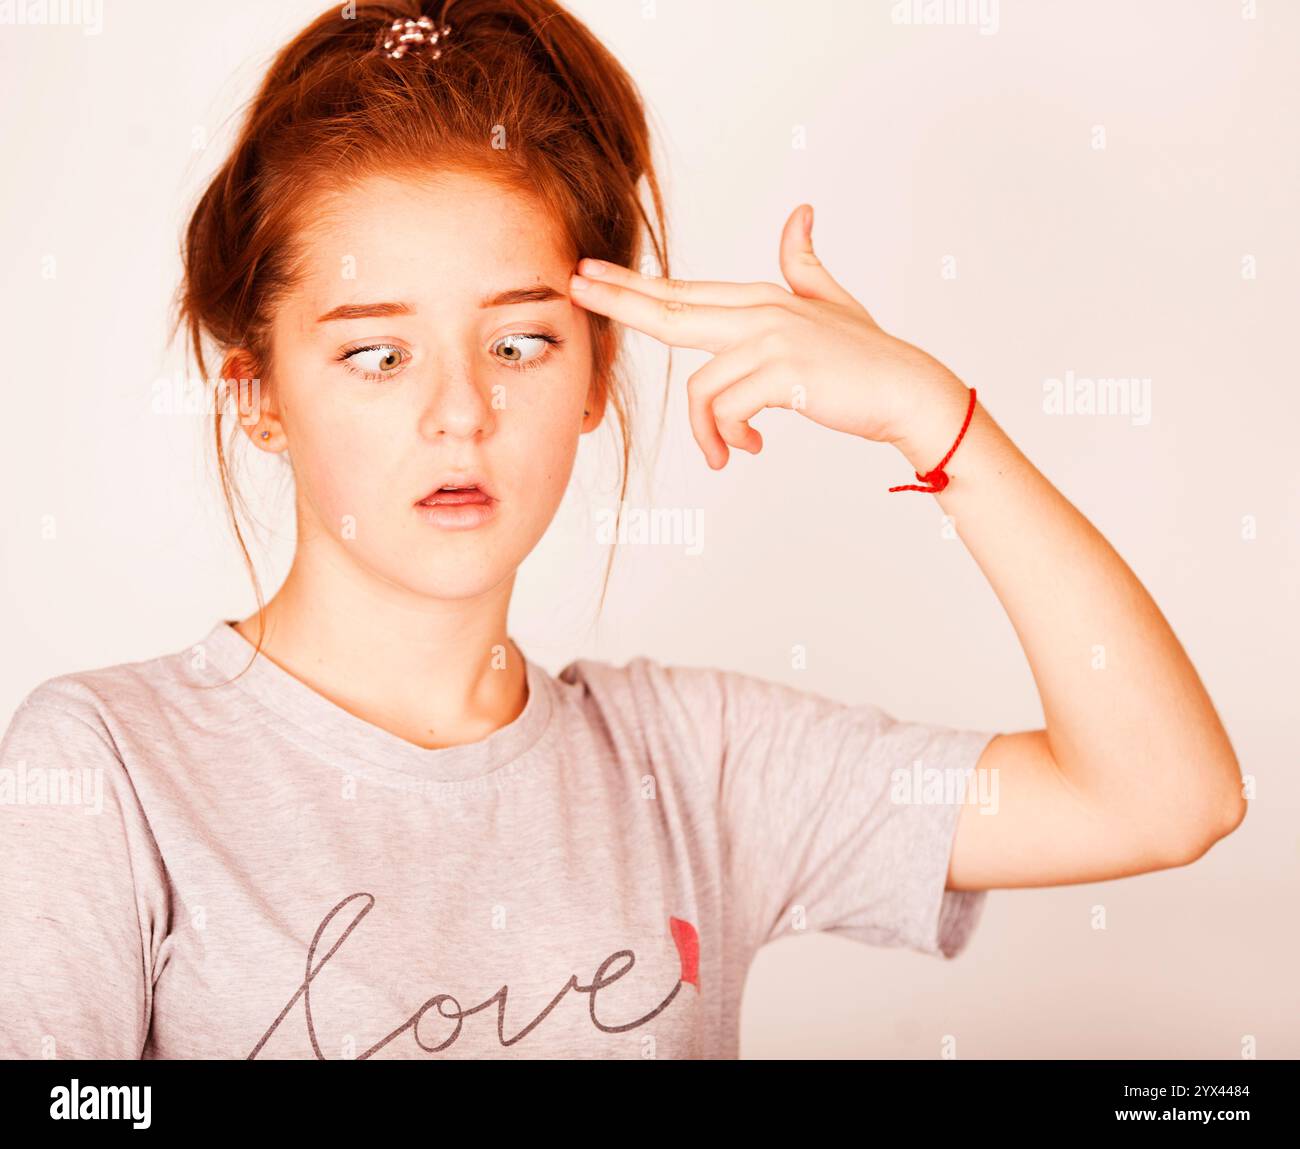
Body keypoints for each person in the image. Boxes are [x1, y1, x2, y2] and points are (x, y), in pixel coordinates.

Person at [0, 0, 1244, 1060]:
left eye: (521, 342)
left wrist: (932, 417)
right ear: (258, 395)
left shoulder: (693, 765)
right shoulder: (108, 768)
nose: (459, 414)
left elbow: (1162, 797)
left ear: (597, 375)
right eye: (376, 355)